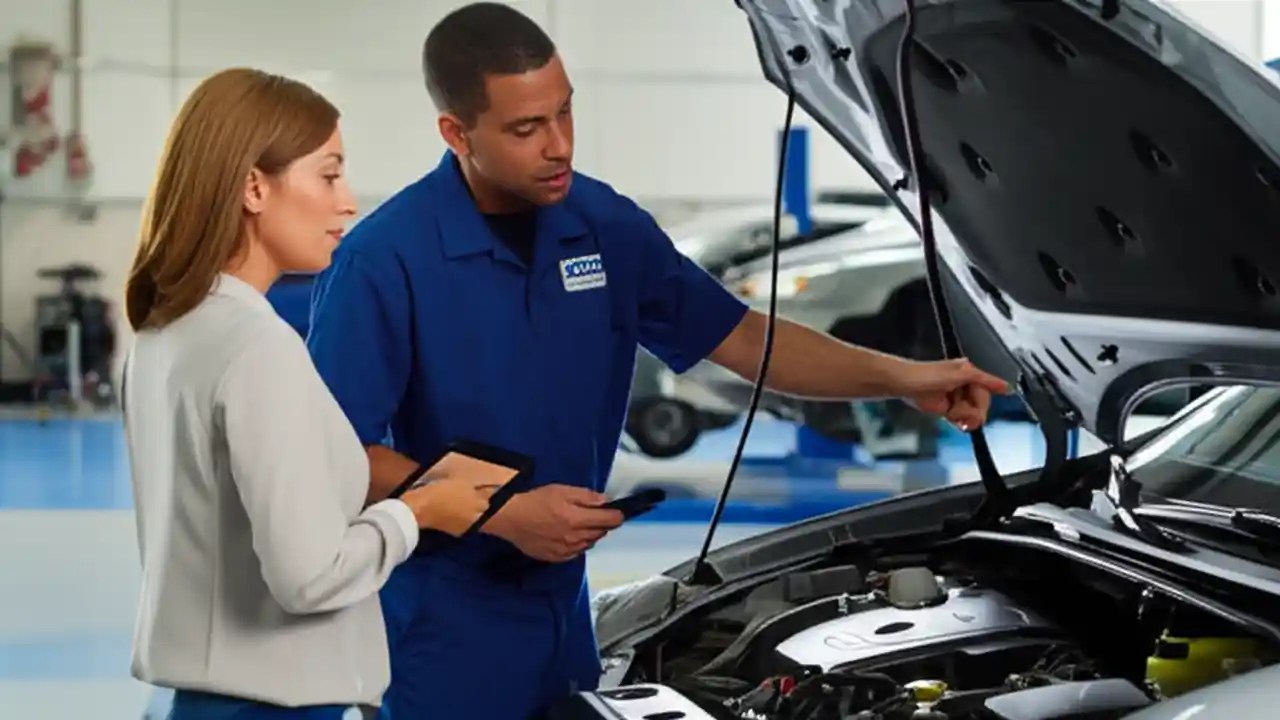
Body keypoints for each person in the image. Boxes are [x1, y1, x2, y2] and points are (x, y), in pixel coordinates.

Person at [305, 4, 1010, 719]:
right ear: (457, 133)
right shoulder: (386, 261)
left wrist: (904, 378)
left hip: (562, 609)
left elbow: (742, 338)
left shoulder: (601, 226)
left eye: (564, 114)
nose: (559, 147)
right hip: (441, 619)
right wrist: (503, 514)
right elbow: (337, 458)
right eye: (526, 129)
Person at [120, 67, 499, 720]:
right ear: (253, 187)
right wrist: (421, 511)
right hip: (270, 708)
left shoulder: (166, 333)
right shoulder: (257, 348)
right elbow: (309, 577)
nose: (348, 202)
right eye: (328, 174)